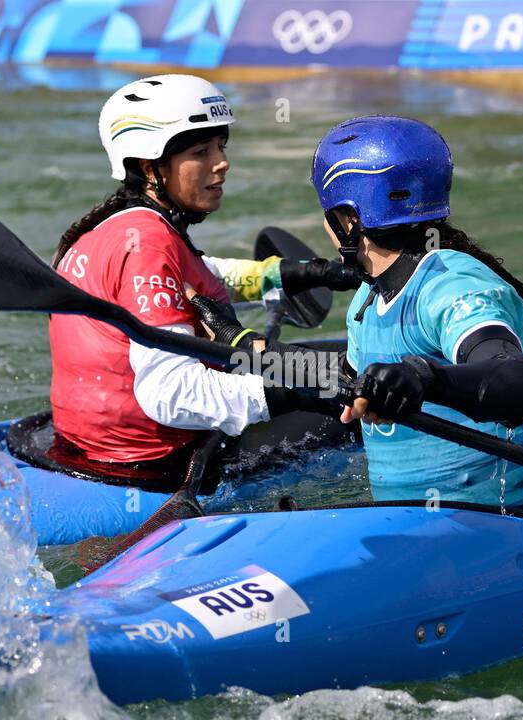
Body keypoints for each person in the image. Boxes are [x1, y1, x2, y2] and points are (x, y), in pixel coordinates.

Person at [198, 115, 523, 508]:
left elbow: (514, 382)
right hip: (420, 522)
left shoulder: (450, 284)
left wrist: (423, 376)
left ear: (348, 220)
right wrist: (246, 350)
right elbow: (343, 381)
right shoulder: (370, 296)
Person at [47, 74, 361, 467]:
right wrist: (299, 390)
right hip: (153, 461)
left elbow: (193, 274)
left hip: (94, 439)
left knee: (333, 363)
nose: (222, 162)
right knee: (360, 371)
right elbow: (169, 392)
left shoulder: (115, 228)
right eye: (201, 151)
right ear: (150, 167)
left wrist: (296, 274)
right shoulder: (148, 243)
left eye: (220, 146)